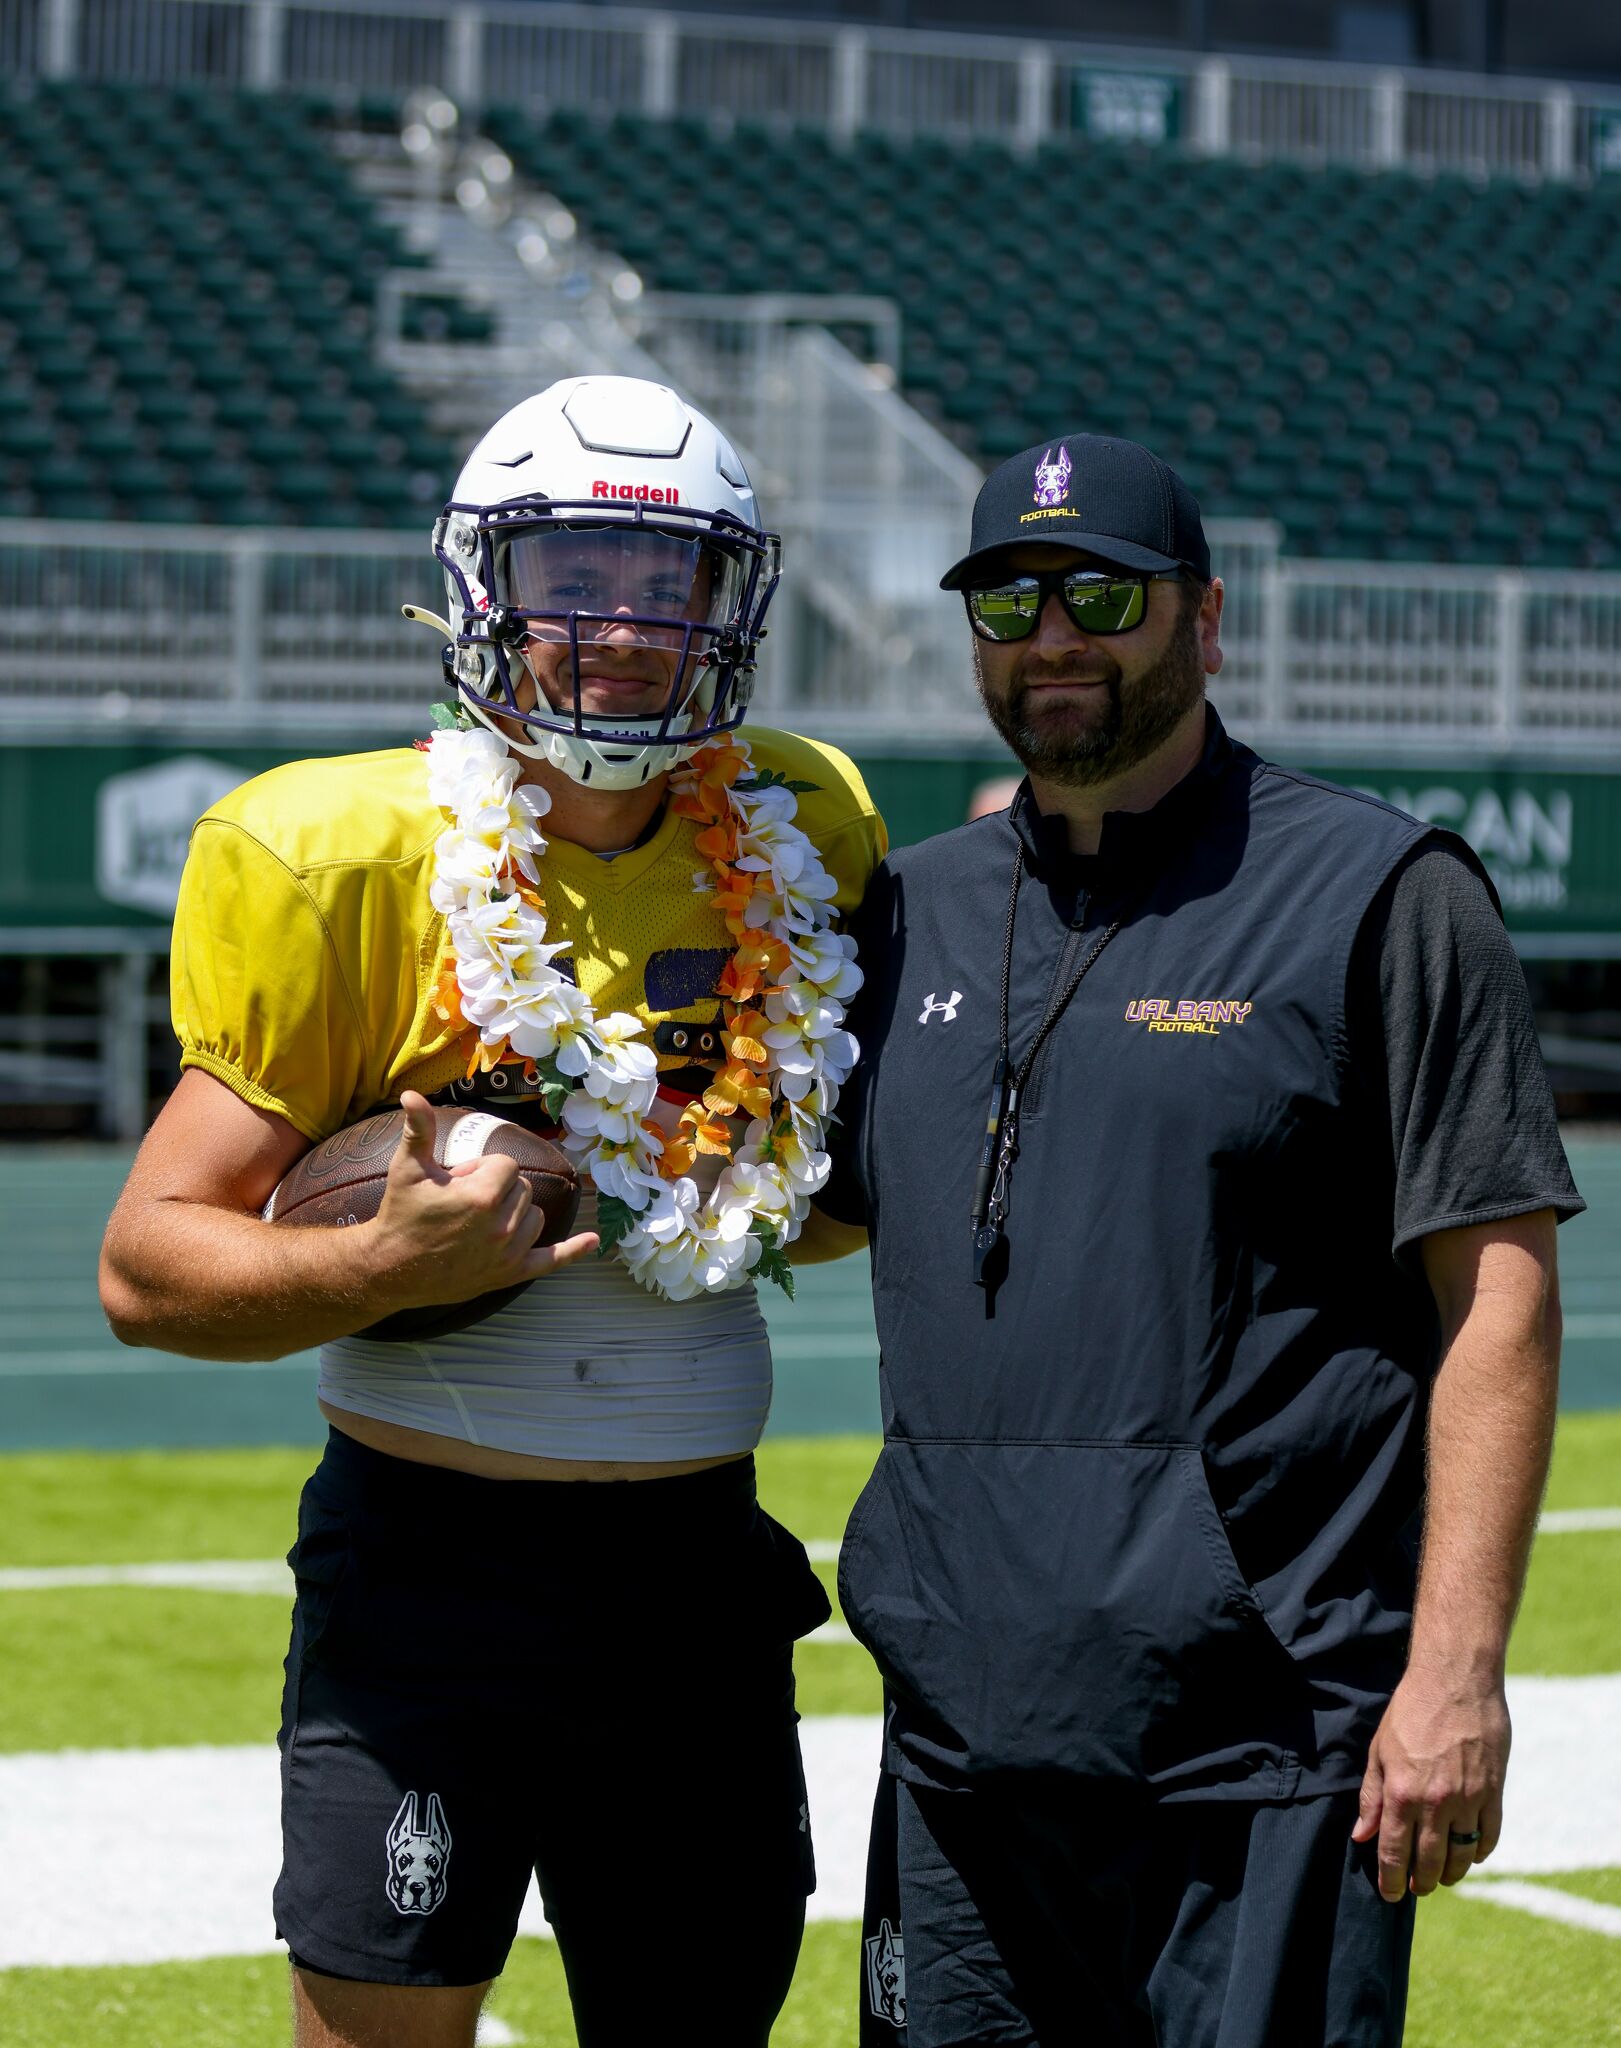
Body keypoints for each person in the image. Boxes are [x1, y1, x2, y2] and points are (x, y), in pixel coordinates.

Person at [98, 374, 883, 2048]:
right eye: (569, 573)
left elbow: (813, 1216)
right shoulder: (340, 852)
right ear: (480, 590)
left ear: (728, 602)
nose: (622, 624)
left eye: (664, 577)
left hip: (699, 1574)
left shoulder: (803, 823)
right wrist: (381, 1260)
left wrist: (778, 1184)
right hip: (428, 1576)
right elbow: (146, 1267)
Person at [820, 432, 1581, 2048]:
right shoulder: (903, 913)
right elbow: (786, 1206)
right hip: (960, 1746)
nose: (1051, 639)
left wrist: (1456, 1672)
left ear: (1206, 619)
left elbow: (1498, 1300)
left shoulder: (1381, 891)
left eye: (1100, 596)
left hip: (1265, 1751)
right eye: (1006, 603)